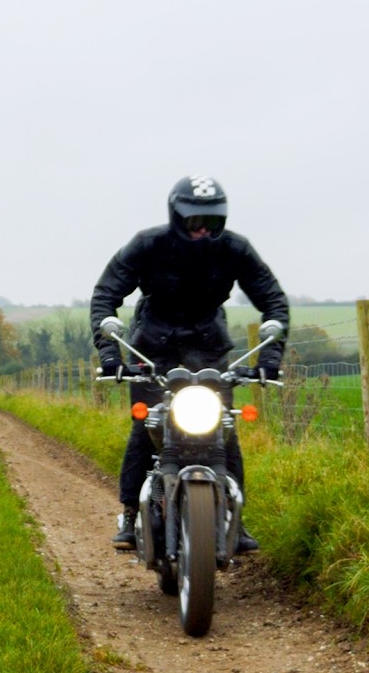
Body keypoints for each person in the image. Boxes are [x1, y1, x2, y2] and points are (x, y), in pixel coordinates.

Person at [90, 174, 289, 553]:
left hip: (209, 347)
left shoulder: (235, 249)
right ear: (176, 216)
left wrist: (270, 357)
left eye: (212, 221)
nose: (203, 230)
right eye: (194, 220)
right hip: (152, 349)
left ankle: (233, 518)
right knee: (147, 424)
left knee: (223, 428)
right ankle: (131, 513)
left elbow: (273, 299)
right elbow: (106, 294)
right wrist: (110, 353)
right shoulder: (147, 244)